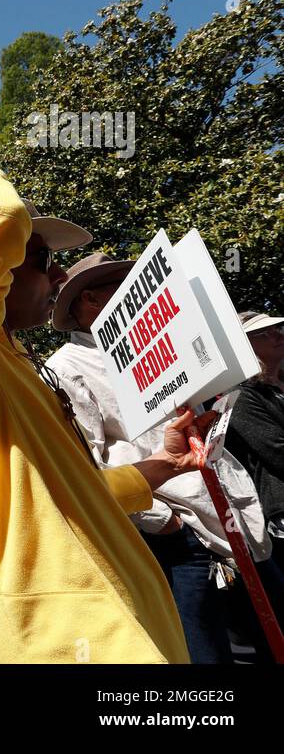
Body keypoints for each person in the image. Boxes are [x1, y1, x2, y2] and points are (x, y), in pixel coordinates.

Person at [0, 167, 214, 663]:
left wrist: (167, 465)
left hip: (124, 624)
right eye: (42, 259)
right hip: (68, 640)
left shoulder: (10, 360)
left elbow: (72, 495)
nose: (60, 277)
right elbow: (0, 217)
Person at [46, 254, 275, 663]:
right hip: (178, 530)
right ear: (92, 301)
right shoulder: (67, 367)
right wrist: (158, 520)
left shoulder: (165, 345)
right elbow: (88, 460)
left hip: (228, 516)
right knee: (201, 654)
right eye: (122, 287)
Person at [227, 311, 284, 574]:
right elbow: (277, 451)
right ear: (244, 345)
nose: (277, 334)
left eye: (277, 328)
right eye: (264, 332)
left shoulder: (278, 386)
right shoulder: (241, 396)